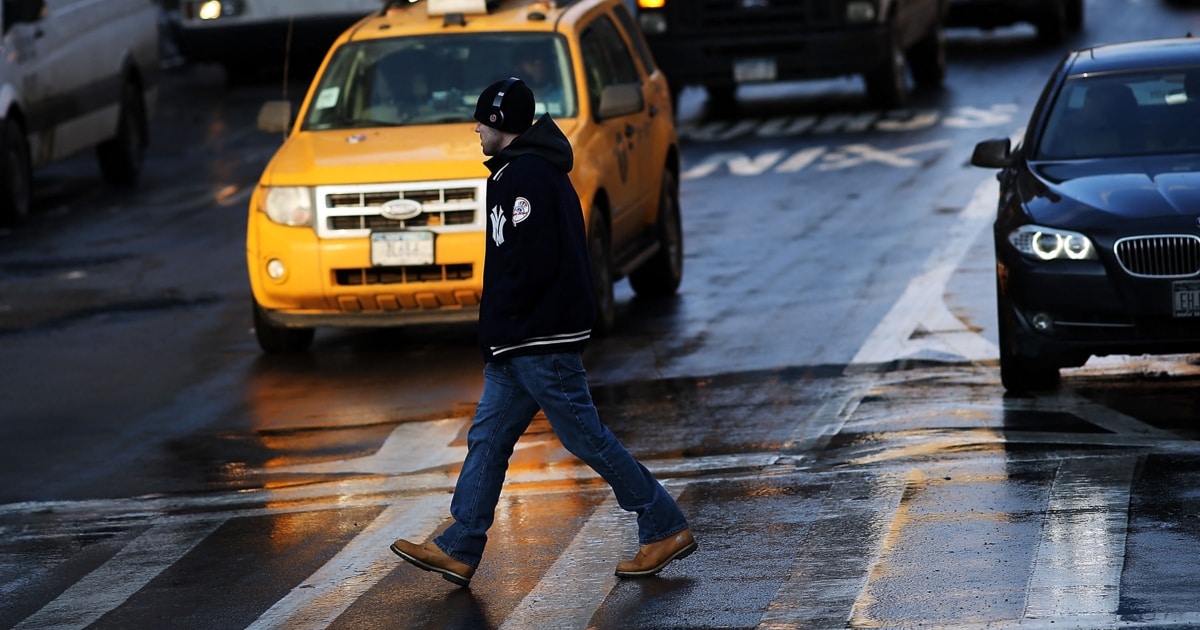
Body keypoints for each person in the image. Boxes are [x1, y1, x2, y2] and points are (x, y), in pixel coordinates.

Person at [390, 77, 696, 588]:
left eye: (483, 120)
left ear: (502, 124)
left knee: (585, 438)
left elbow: (525, 264)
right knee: (488, 436)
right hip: (519, 341)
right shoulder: (518, 173)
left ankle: (664, 524)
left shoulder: (526, 178)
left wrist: (500, 322)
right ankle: (460, 545)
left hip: (537, 339)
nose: (476, 128)